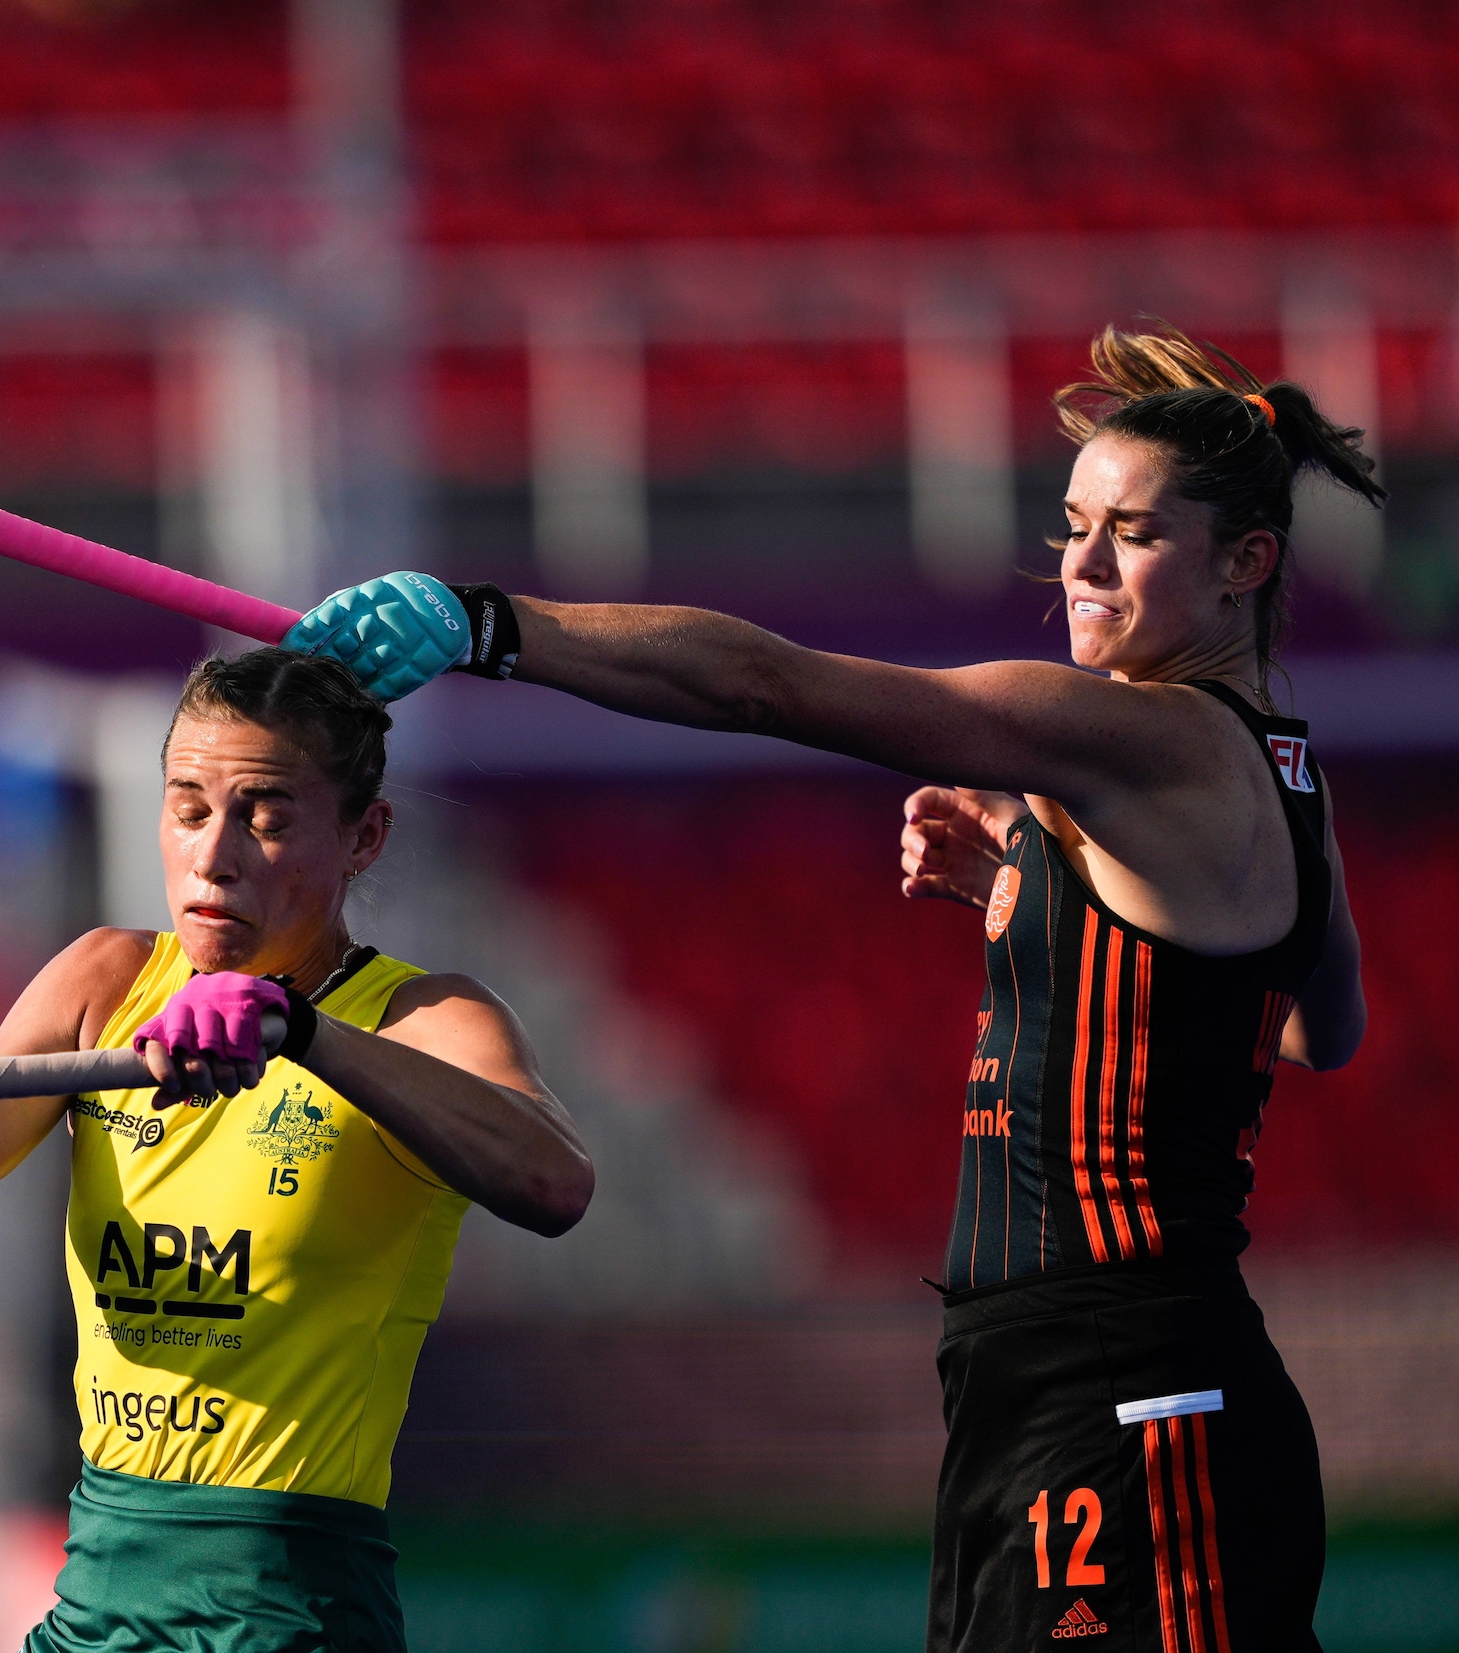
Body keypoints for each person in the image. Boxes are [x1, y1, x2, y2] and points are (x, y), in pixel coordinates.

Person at [282, 324, 1372, 1653]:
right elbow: (1316, 1023)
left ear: (1246, 564)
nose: (1080, 568)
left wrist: (493, 625)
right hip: (1060, 1386)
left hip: (1132, 1395)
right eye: (1074, 523)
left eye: (1132, 537)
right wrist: (1035, 910)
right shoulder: (1280, 773)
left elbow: (766, 687)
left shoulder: (1134, 731)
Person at [0, 648, 594, 1653]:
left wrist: (300, 1032)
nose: (211, 855)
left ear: (364, 835)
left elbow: (553, 1181)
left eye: (263, 815)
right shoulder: (104, 980)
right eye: (186, 807)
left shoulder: (417, 1018)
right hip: (97, 1602)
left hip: (289, 1614)